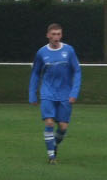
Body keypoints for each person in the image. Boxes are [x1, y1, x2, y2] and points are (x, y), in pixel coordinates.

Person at [28, 23, 81, 164]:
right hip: (47, 92)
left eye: (58, 34)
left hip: (65, 93)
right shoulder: (41, 53)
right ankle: (51, 156)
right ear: (48, 35)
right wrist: (32, 94)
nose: (56, 37)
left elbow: (77, 71)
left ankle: (53, 145)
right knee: (50, 122)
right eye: (53, 34)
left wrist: (74, 92)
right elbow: (35, 73)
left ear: (61, 35)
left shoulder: (69, 51)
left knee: (63, 127)